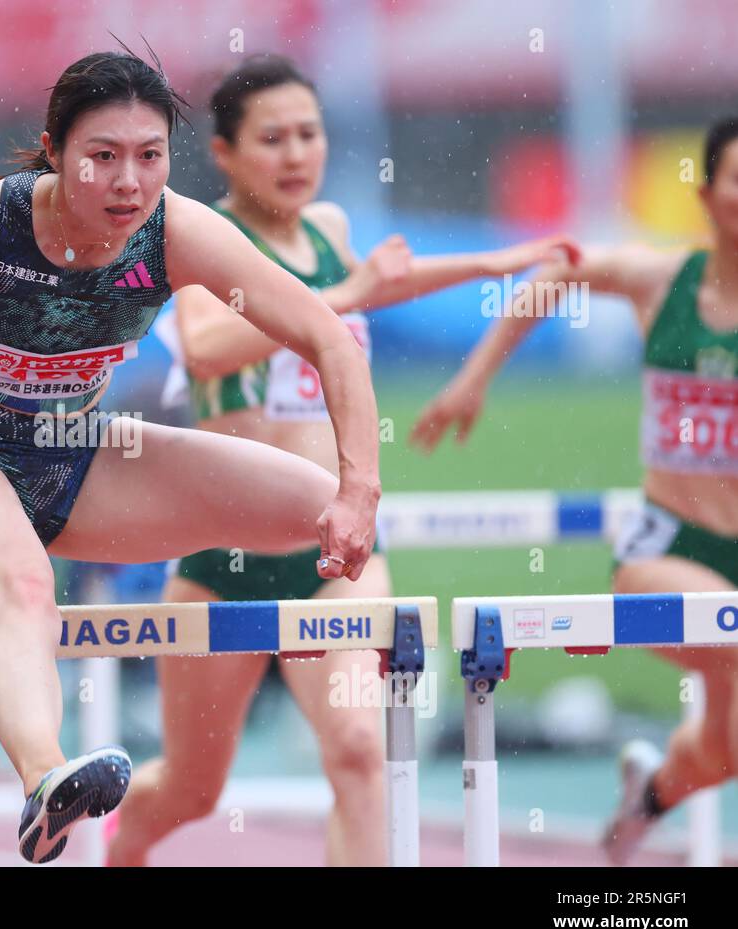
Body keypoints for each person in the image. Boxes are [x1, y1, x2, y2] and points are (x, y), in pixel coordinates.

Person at [0, 49, 385, 864]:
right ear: (54, 150)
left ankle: (209, 665)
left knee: (310, 503)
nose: (128, 184)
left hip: (72, 447)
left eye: (149, 157)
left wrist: (360, 490)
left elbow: (327, 336)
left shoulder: (176, 232)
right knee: (27, 590)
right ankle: (48, 781)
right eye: (102, 158)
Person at [108, 54, 579, 866]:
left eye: (309, 135)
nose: (296, 156)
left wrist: (487, 265)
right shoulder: (196, 240)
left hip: (340, 552)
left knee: (363, 752)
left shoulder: (325, 229)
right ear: (222, 153)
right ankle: (121, 846)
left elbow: (372, 282)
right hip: (222, 560)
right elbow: (210, 346)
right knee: (191, 789)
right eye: (272, 140)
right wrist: (349, 295)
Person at [411, 116, 738, 865]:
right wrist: (474, 376)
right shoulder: (664, 281)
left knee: (725, 749)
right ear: (707, 193)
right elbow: (558, 272)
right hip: (669, 546)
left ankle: (651, 790)